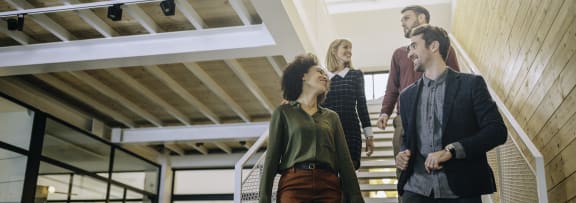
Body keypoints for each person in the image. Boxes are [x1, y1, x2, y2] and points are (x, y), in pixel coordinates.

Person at [395, 24, 507, 202]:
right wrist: (403, 154)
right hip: (415, 190)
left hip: (461, 190)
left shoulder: (471, 85)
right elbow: (409, 139)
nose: (409, 54)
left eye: (414, 46)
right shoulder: (406, 96)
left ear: (433, 46)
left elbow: (497, 131)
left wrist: (452, 150)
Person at [259, 54, 364, 203]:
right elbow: (271, 158)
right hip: (293, 185)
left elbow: (345, 161)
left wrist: (356, 198)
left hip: (328, 186)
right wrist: (264, 199)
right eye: (319, 72)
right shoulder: (283, 113)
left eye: (326, 75)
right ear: (303, 76)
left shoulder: (332, 117)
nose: (325, 76)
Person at [376, 4, 461, 184]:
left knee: (442, 170)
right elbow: (392, 87)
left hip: (440, 115)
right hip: (404, 120)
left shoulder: (444, 49)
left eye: (406, 18)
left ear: (421, 18)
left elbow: (455, 79)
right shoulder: (399, 54)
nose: (402, 23)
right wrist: (385, 111)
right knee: (405, 172)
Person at [323, 39, 374, 170]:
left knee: (348, 174)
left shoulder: (356, 75)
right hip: (327, 131)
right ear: (334, 51)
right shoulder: (323, 77)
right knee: (329, 174)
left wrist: (369, 136)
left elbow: (362, 106)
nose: (349, 51)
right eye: (345, 47)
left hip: (351, 131)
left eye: (350, 48)